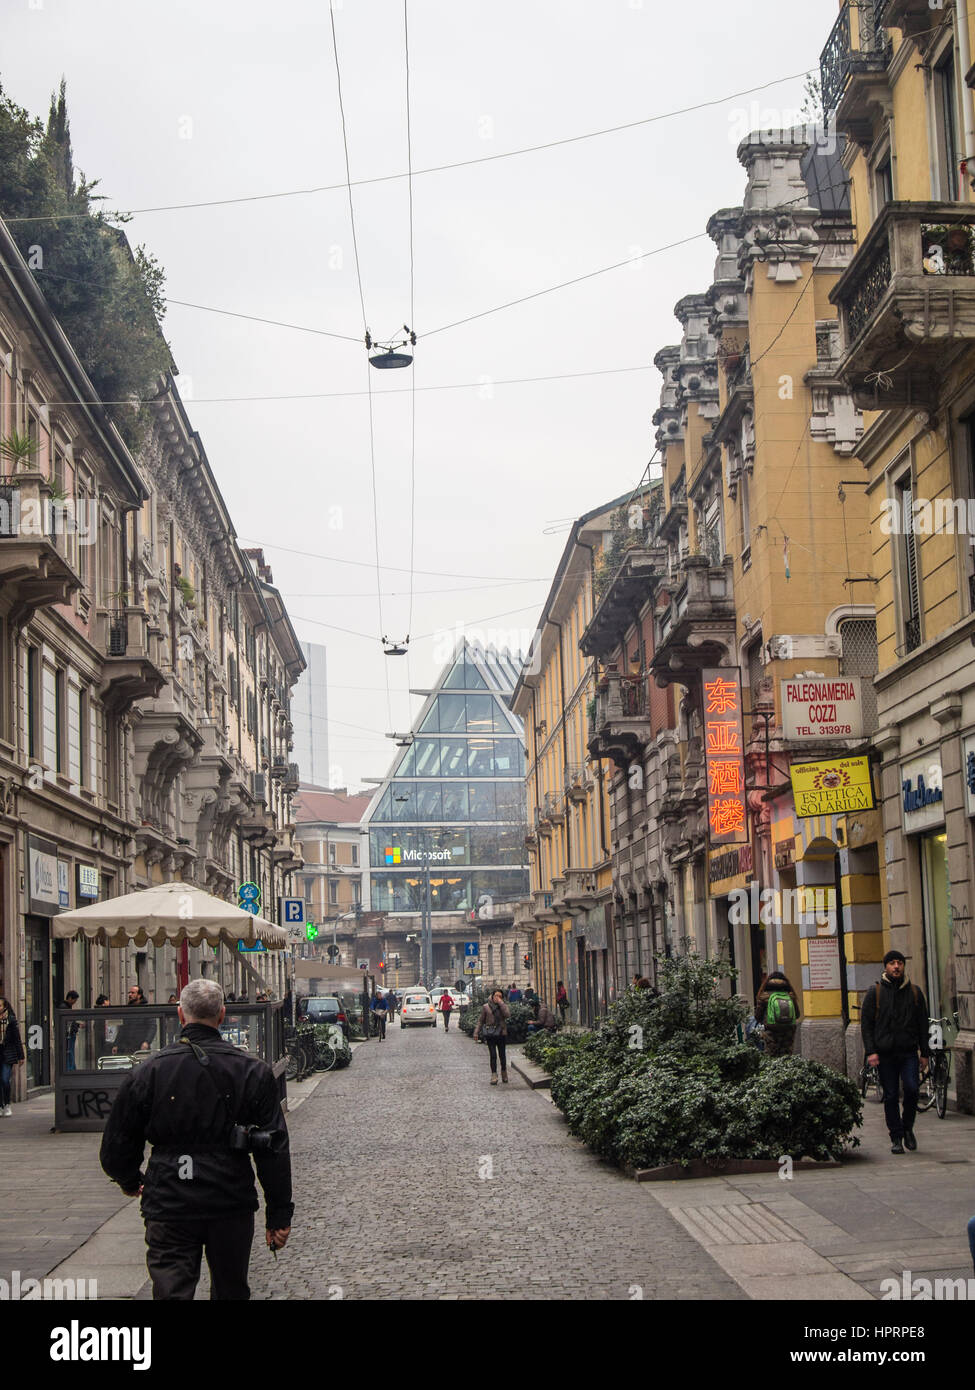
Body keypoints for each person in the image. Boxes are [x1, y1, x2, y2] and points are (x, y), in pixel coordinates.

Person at [100, 978, 293, 1300]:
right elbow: (273, 1148)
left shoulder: (149, 1072)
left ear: (180, 1014)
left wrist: (131, 1180)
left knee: (171, 1290)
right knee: (231, 1289)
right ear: (222, 1015)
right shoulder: (251, 1071)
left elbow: (117, 1143)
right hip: (229, 1198)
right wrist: (279, 1214)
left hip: (169, 1199)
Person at [861, 949, 930, 1154]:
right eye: (892, 963)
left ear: (904, 966)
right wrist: (871, 1051)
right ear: (886, 967)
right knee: (890, 1095)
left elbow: (922, 1025)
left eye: (899, 962)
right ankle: (896, 1136)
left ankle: (907, 1127)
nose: (896, 966)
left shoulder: (915, 993)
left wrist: (924, 1053)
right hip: (885, 1054)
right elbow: (866, 1025)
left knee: (911, 1089)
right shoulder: (875, 992)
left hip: (908, 1051)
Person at [755, 971, 801, 1057]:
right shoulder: (790, 996)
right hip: (788, 1030)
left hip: (770, 1030)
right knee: (786, 1056)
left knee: (771, 1056)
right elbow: (797, 1015)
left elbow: (757, 1016)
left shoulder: (764, 996)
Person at [473, 988, 510, 1085]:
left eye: (500, 996)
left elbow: (507, 1015)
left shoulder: (503, 1006)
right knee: (493, 1055)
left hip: (501, 1033)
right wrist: (476, 1032)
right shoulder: (486, 1007)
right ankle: (494, 1075)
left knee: (502, 1055)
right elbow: (481, 1020)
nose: (498, 998)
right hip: (491, 1034)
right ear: (492, 996)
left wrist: (501, 1003)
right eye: (496, 996)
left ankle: (504, 1072)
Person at [113, 985, 156, 1056]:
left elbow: (152, 1027)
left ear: (139, 995)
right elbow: (122, 1028)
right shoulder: (128, 1010)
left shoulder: (147, 1009)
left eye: (133, 993)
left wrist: (147, 1042)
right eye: (129, 993)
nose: (130, 995)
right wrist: (116, 1044)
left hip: (141, 1048)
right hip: (127, 1047)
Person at [0, 996, 25, 1115]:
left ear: (5, 1007)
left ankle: (7, 1104)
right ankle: (0, 1105)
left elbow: (17, 1039)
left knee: (5, 1080)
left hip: (7, 1054)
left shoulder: (11, 1020)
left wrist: (21, 1056)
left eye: (0, 1006)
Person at [62, 990, 81, 1071]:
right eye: (74, 1000)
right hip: (68, 1035)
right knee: (70, 1053)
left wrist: (77, 1025)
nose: (74, 1002)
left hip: (70, 1034)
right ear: (69, 998)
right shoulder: (64, 1007)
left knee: (71, 1053)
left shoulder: (67, 1006)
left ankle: (72, 1068)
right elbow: (67, 1022)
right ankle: (71, 1069)